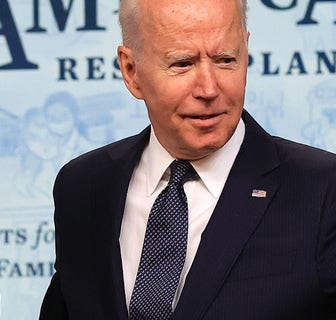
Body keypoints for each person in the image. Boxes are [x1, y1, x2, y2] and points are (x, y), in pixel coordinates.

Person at [40, 0, 336, 319]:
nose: (209, 89)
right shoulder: (83, 186)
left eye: (225, 60)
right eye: (182, 63)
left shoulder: (322, 190)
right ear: (131, 70)